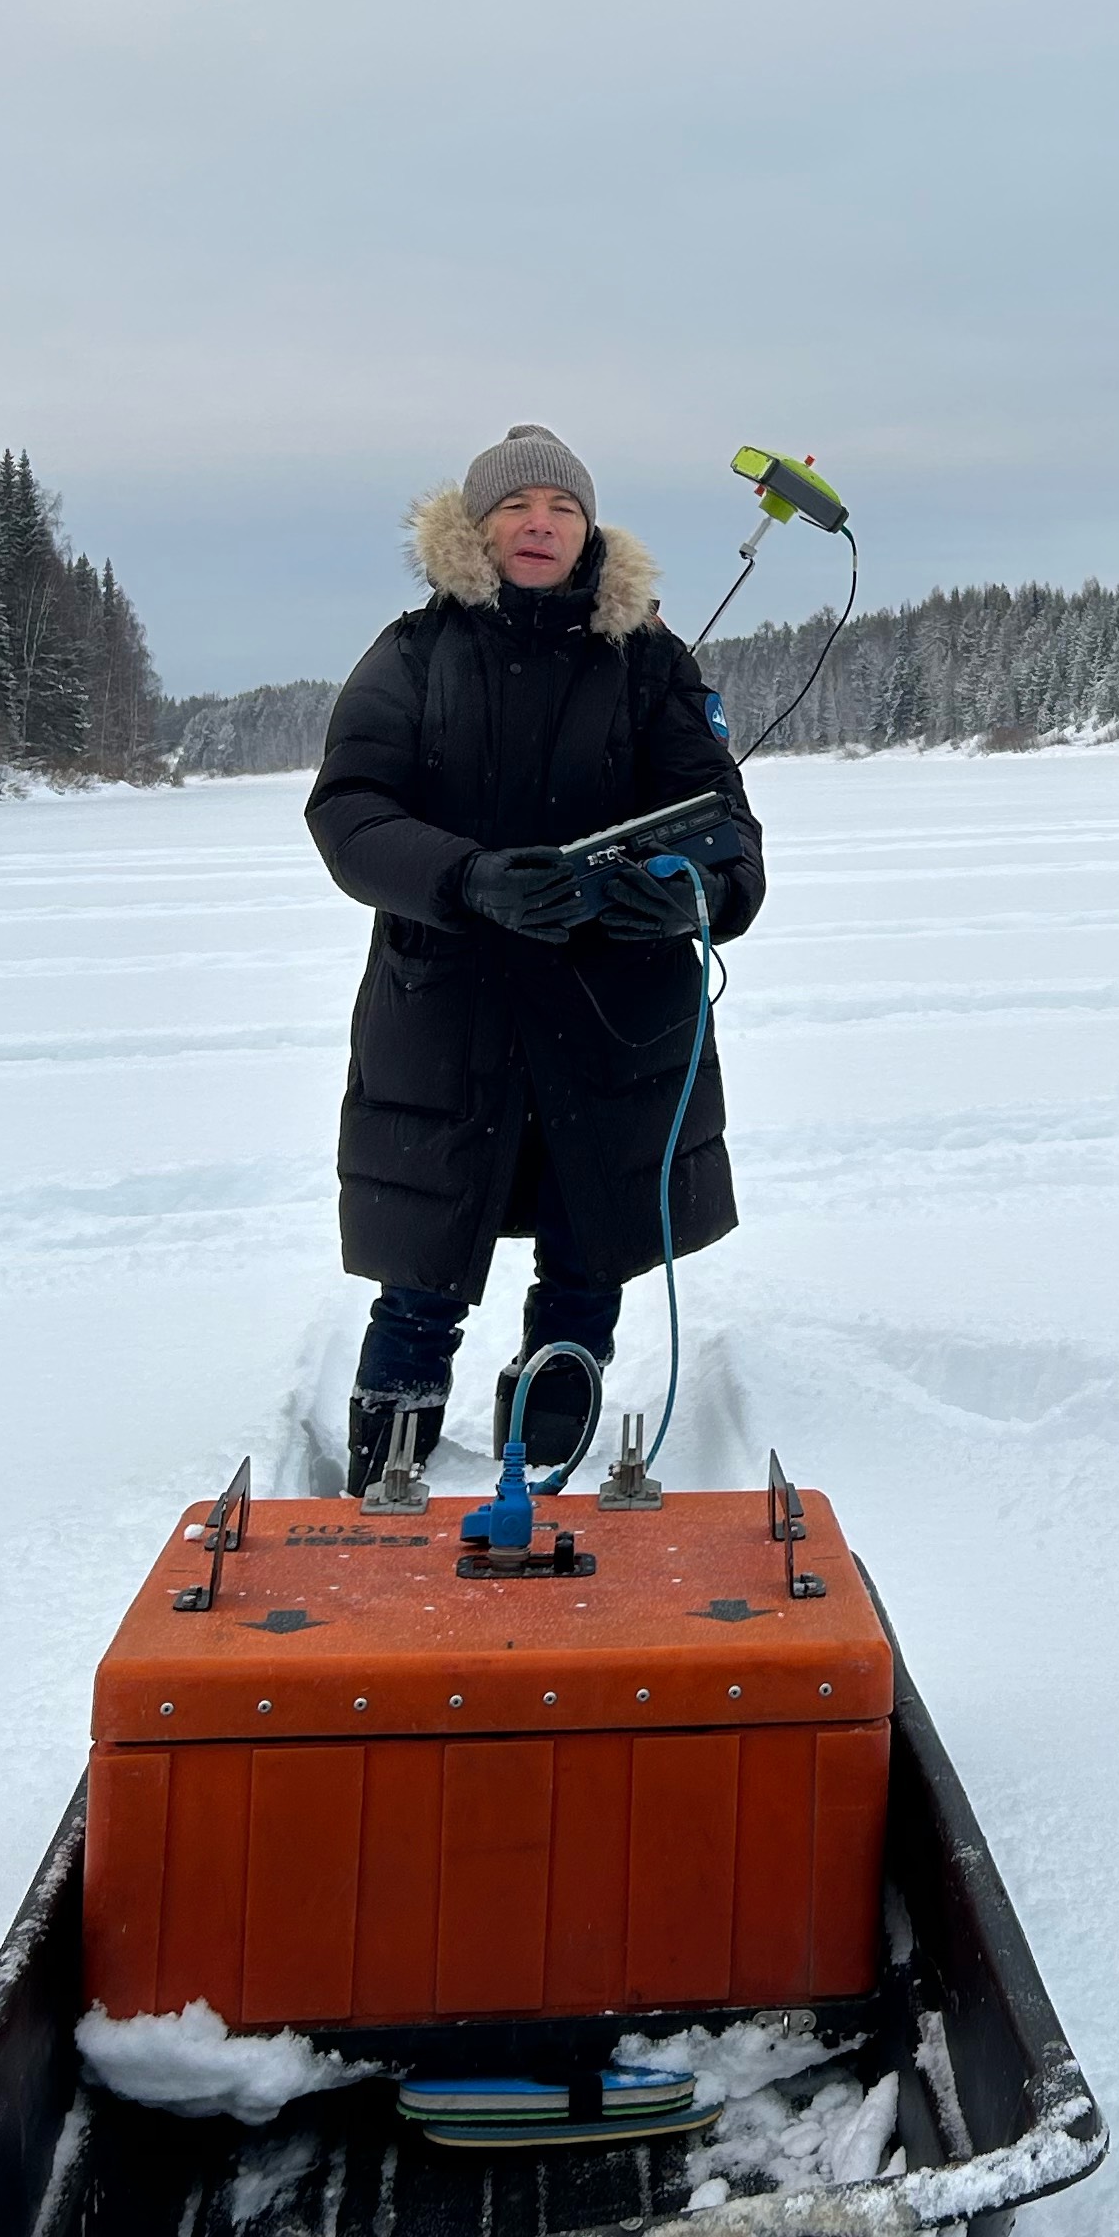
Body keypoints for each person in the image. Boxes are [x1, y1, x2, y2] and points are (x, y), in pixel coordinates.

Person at [307, 423, 764, 1496]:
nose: (540, 523)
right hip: (446, 1008)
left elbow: (727, 830)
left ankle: (546, 1452)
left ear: (588, 529)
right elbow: (350, 814)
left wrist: (688, 894)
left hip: (611, 1010)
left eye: (561, 507)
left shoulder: (650, 660)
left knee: (587, 1252)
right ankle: (388, 1470)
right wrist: (468, 878)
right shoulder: (412, 654)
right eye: (516, 507)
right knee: (423, 1263)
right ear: (475, 528)